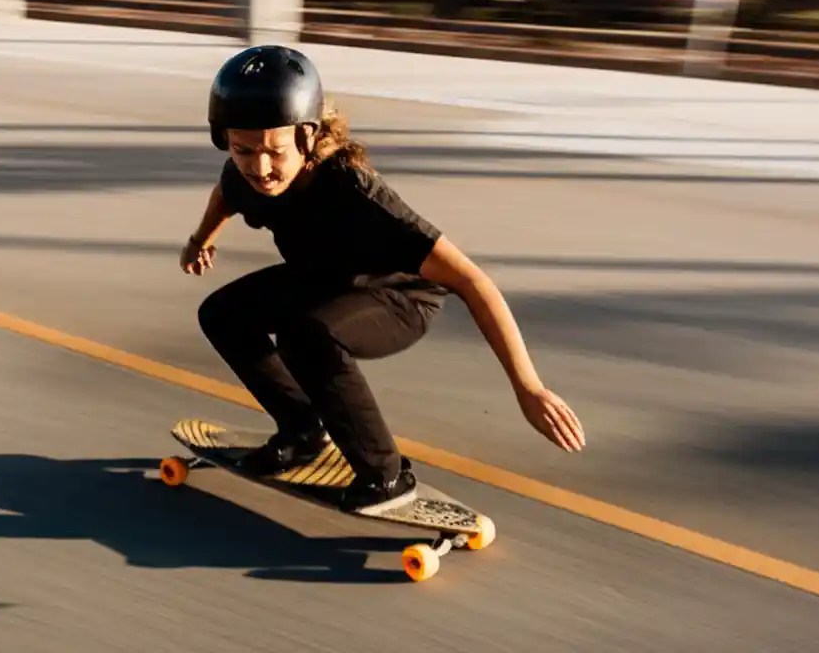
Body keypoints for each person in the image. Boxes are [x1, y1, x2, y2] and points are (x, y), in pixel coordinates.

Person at [180, 45, 585, 515]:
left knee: (306, 335)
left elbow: (473, 281)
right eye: (242, 149)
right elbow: (225, 194)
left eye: (275, 151)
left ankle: (386, 473)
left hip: (398, 297)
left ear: (307, 138)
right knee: (222, 314)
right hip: (324, 278)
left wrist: (528, 387)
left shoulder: (356, 195)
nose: (260, 168)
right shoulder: (244, 173)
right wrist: (199, 241)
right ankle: (302, 431)